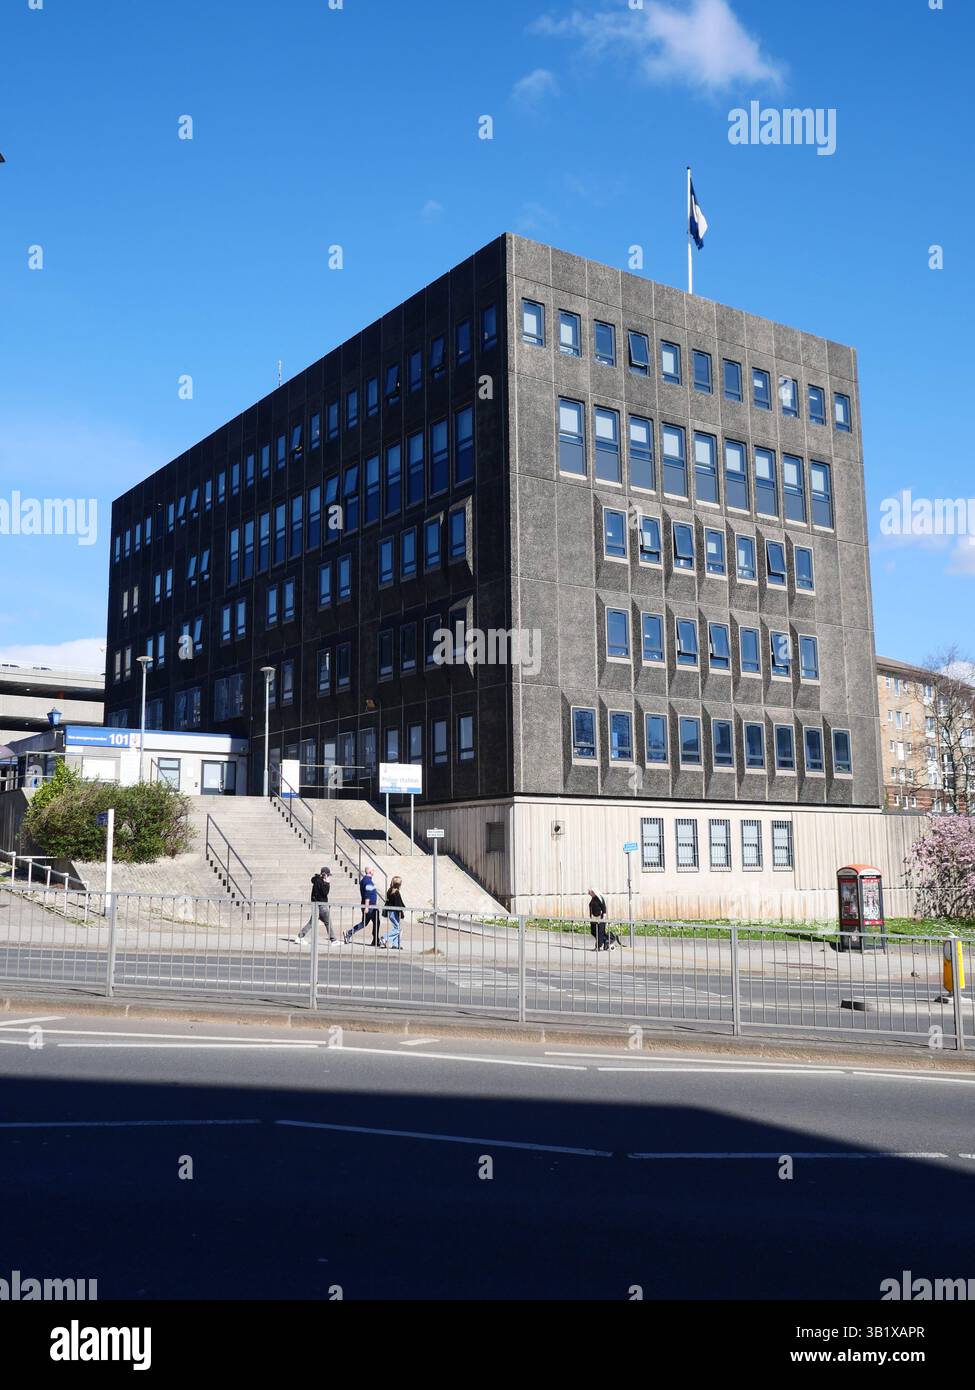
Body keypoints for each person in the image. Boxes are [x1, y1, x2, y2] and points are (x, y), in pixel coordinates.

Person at [294, 867, 337, 944]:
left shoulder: (316, 880)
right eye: (328, 875)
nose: (329, 877)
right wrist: (327, 883)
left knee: (312, 922)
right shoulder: (320, 882)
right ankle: (333, 940)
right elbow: (325, 893)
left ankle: (300, 937)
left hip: (316, 905)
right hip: (321, 905)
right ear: (324, 875)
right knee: (327, 923)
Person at [345, 866, 381, 946]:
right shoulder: (368, 882)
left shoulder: (365, 880)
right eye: (373, 870)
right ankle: (375, 940)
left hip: (369, 906)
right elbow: (367, 895)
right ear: (370, 872)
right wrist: (367, 907)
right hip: (370, 906)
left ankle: (349, 933)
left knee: (364, 923)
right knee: (376, 922)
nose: (374, 871)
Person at [381, 876, 406, 950]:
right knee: (398, 929)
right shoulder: (396, 893)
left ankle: (395, 945)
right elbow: (398, 905)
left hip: (390, 912)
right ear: (399, 884)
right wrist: (401, 913)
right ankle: (385, 938)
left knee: (397, 927)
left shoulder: (389, 890)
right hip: (394, 912)